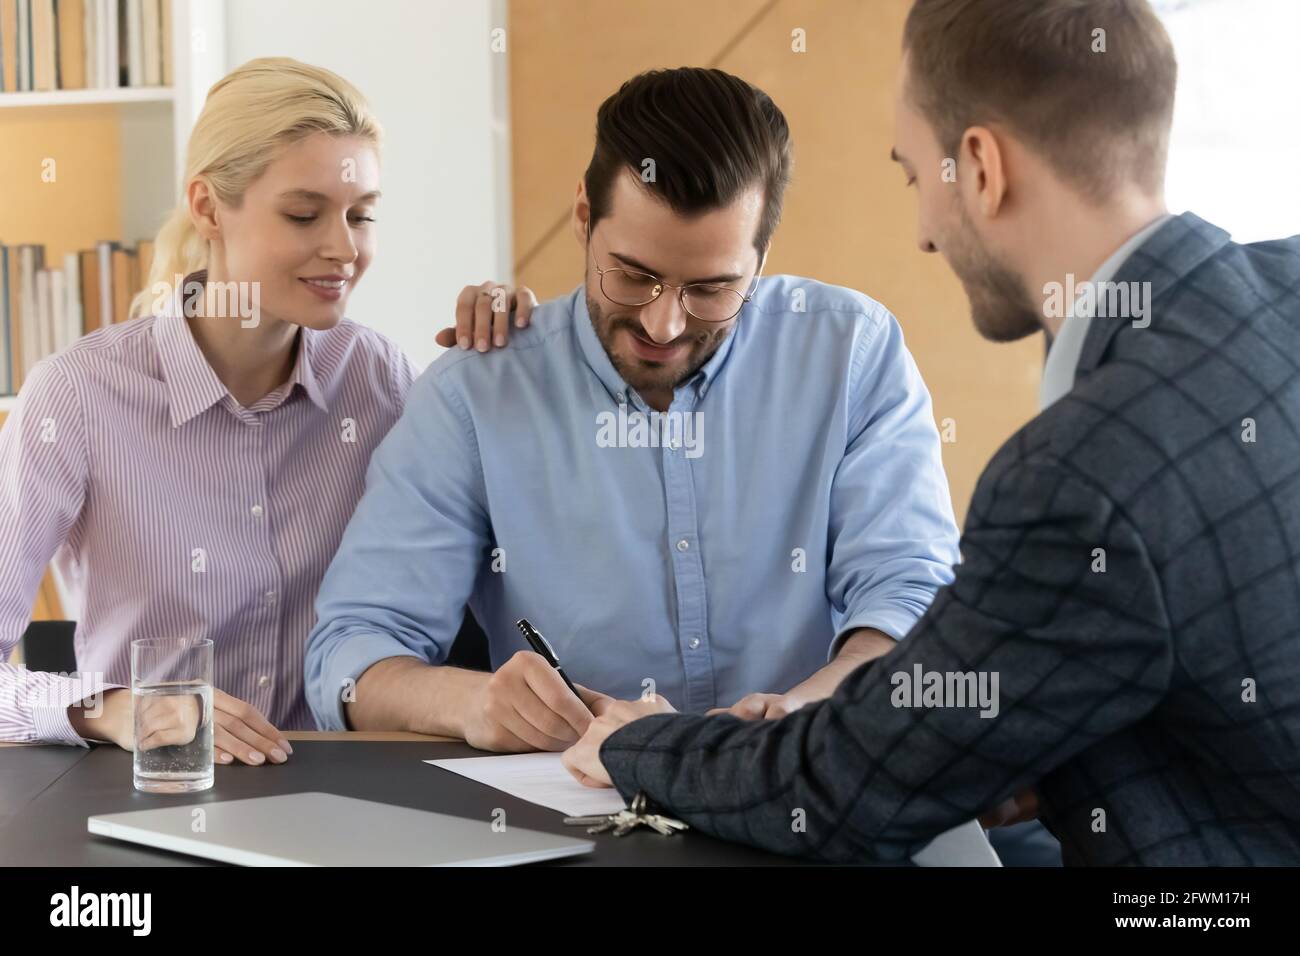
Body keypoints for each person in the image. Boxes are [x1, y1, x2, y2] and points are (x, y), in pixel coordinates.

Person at [563, 0, 1300, 866]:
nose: (921, 234)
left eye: (916, 177)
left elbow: (847, 789)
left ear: (980, 168)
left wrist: (643, 744)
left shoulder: (1078, 476)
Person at [305, 67, 961, 755]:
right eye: (634, 275)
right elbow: (348, 661)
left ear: (761, 257)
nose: (664, 325)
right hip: (577, 811)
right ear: (584, 217)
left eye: (711, 288)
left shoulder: (851, 352)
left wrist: (799, 715)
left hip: (812, 783)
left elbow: (910, 594)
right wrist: (475, 701)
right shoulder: (475, 394)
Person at [0, 57, 528, 760]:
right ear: (209, 207)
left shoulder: (381, 381)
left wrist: (521, 364)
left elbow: (494, 575)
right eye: (304, 214)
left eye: (362, 216)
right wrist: (108, 710)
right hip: (155, 791)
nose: (344, 249)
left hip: (343, 794)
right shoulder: (78, 396)